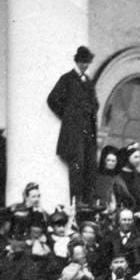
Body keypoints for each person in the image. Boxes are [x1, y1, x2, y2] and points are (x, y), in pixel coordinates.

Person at [46, 47, 102, 210]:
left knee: (90, 164)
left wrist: (92, 110)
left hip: (88, 132)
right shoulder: (67, 79)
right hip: (74, 133)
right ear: (77, 61)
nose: (85, 65)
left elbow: (95, 103)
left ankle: (89, 199)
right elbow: (52, 99)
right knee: (77, 164)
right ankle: (76, 199)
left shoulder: (88, 82)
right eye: (83, 62)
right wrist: (69, 116)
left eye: (87, 62)